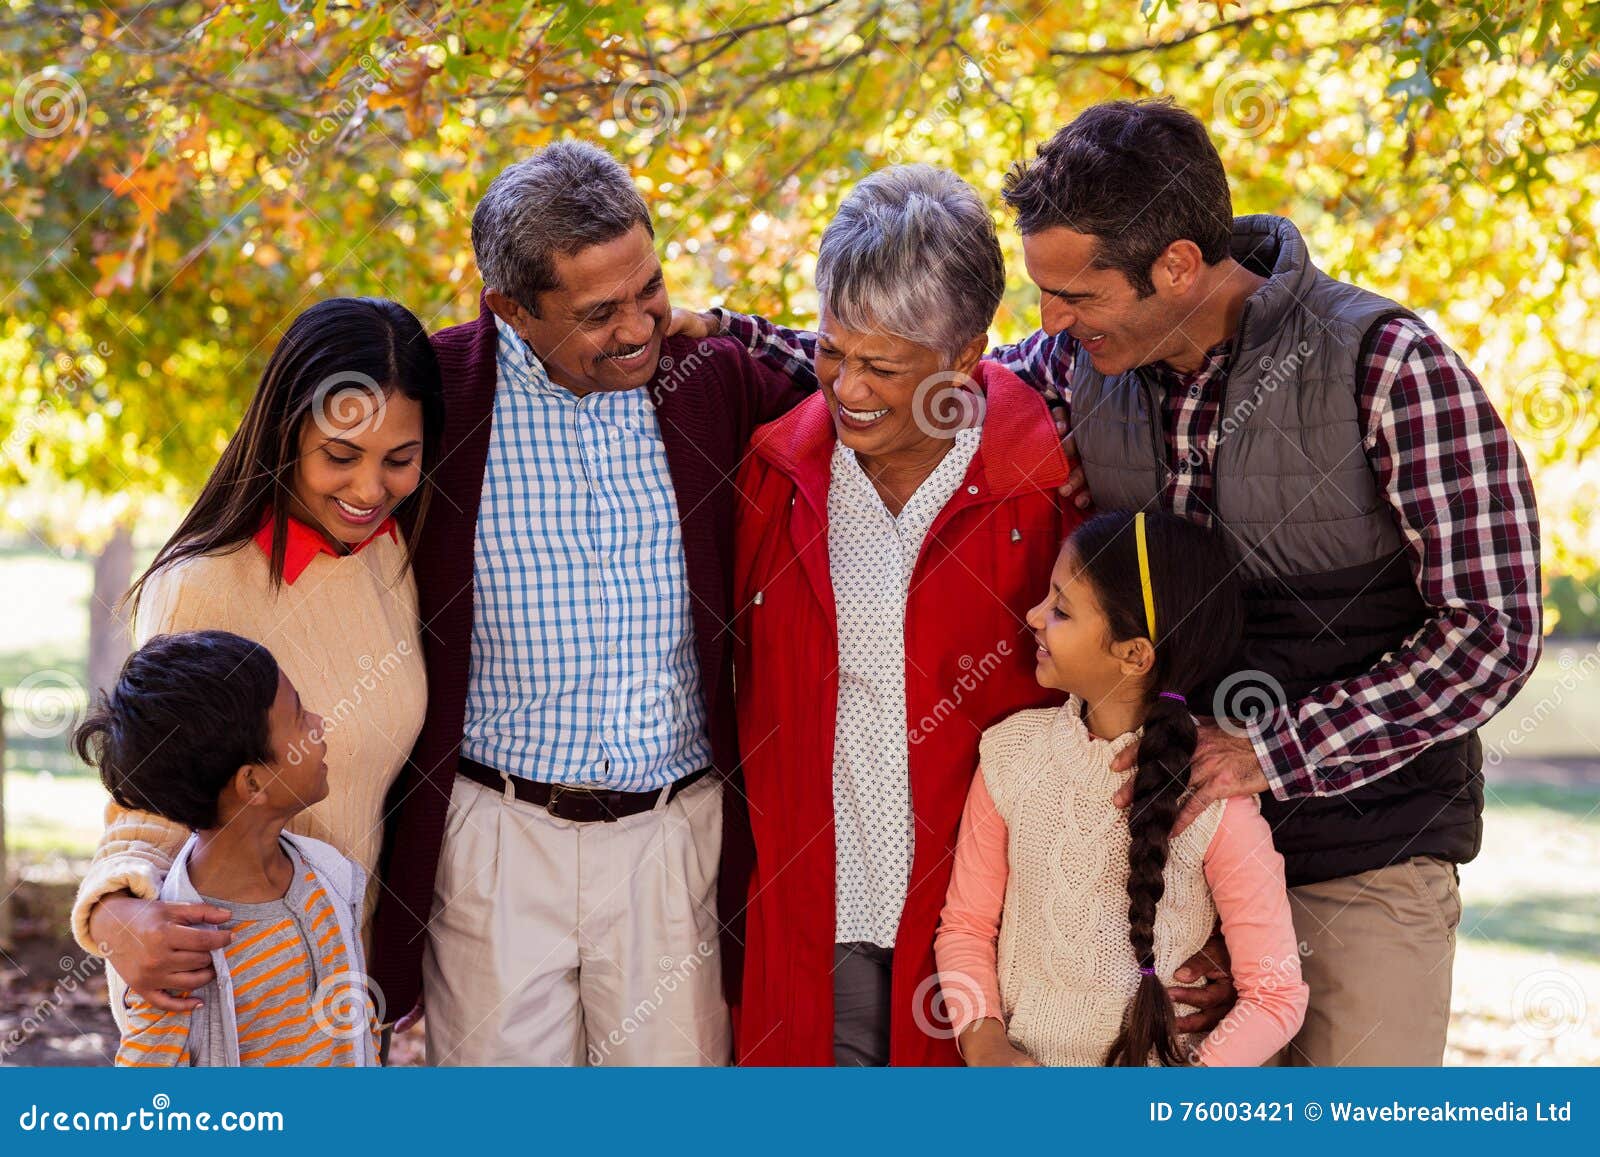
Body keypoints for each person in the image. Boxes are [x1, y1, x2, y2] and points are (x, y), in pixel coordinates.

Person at [684, 98, 1542, 1066]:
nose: (1049, 318)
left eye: (1075, 294)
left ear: (1175, 265)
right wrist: (714, 332)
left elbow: (1495, 629)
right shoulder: (1076, 364)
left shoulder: (1387, 369)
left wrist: (1270, 750)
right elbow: (906, 372)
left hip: (1354, 847)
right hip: (1142, 867)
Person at [732, 165, 1231, 1067]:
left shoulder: (1047, 494)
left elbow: (1132, 723)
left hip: (1004, 956)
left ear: (966, 354)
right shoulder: (774, 476)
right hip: (812, 930)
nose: (845, 387)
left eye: (881, 367)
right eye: (830, 351)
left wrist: (1193, 918)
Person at [367, 140, 815, 1066]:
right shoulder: (440, 395)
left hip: (673, 839)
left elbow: (869, 373)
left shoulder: (708, 377)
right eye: (599, 312)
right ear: (512, 309)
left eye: (648, 286)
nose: (638, 327)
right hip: (497, 838)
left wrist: (725, 323)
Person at [68, 298, 440, 1042]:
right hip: (235, 994)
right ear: (283, 434)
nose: (370, 489)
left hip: (341, 986)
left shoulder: (391, 553)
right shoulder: (205, 584)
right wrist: (115, 911)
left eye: (398, 459)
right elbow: (155, 786)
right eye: (340, 455)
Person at [937, 511, 1309, 1066]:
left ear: (1135, 654)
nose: (1035, 616)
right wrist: (985, 1043)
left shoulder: (1215, 803)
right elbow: (965, 926)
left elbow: (1277, 994)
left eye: (1061, 609)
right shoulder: (1010, 755)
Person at [76, 631, 380, 1066]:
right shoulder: (180, 956)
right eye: (298, 719)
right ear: (252, 783)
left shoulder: (329, 875)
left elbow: (357, 1028)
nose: (319, 723)